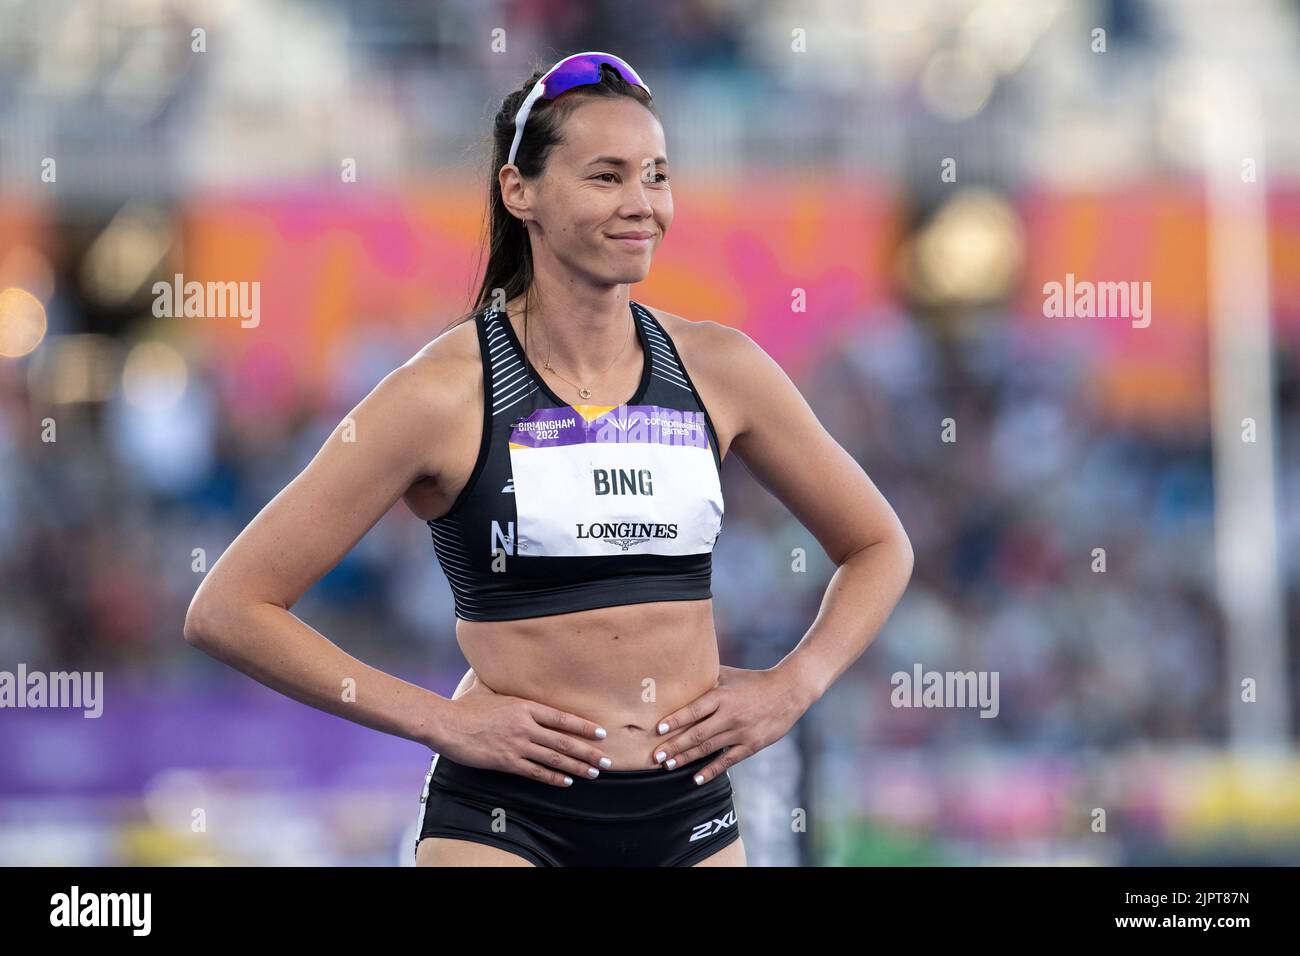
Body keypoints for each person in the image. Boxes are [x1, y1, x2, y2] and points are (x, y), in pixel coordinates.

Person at [183, 51, 914, 867]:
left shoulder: (723, 369)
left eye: (656, 176)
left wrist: (795, 685)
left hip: (690, 814)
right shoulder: (440, 393)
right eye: (605, 177)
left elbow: (880, 545)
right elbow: (230, 608)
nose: (642, 204)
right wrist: (440, 720)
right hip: (506, 821)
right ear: (518, 190)